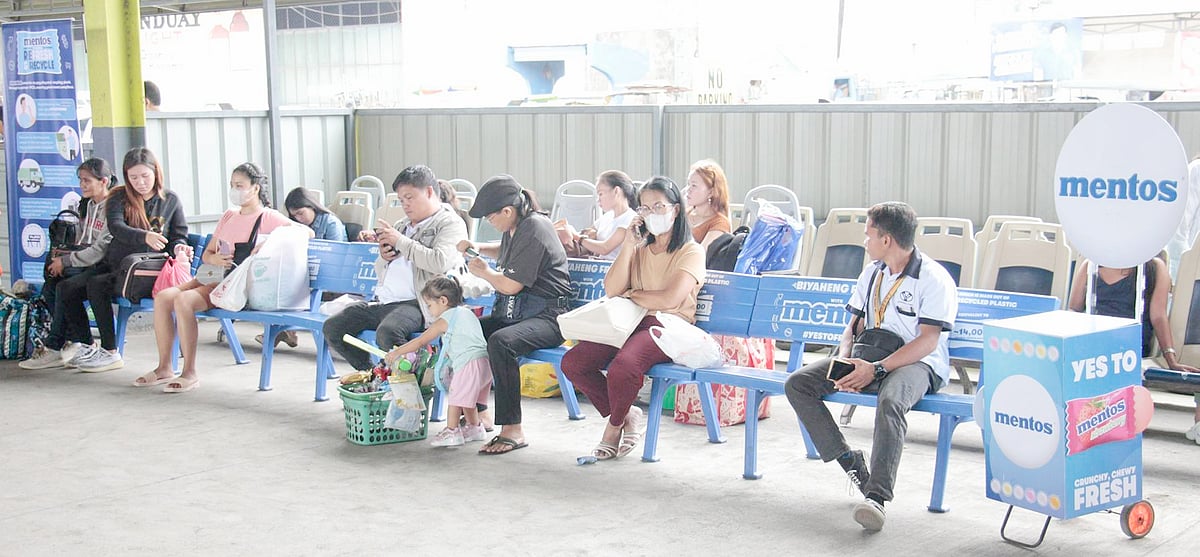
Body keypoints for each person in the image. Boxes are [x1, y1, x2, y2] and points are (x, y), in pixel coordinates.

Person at [784, 201, 958, 532]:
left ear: (887, 240)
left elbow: (927, 342)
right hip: (869, 355)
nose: (865, 242)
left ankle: (875, 497)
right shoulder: (871, 273)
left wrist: (876, 370)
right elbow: (852, 328)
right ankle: (849, 460)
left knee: (891, 401)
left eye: (868, 236)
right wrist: (846, 360)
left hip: (917, 363)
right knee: (798, 384)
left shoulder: (933, 278)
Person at [561, 176, 704, 459]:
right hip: (629, 322)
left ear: (676, 210)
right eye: (646, 209)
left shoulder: (691, 251)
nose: (652, 214)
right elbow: (613, 289)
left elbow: (669, 299)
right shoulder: (638, 248)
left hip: (667, 326)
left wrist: (632, 294)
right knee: (574, 362)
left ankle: (613, 427)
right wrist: (628, 244)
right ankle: (628, 413)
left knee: (623, 367)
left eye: (659, 207)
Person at [135, 162, 300, 392]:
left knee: (184, 300)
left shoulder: (268, 217)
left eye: (240, 185)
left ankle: (189, 372)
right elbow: (207, 254)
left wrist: (265, 244)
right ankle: (164, 366)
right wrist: (216, 260)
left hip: (235, 285)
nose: (235, 190)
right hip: (213, 276)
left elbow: (303, 232)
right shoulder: (229, 216)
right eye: (232, 185)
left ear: (255, 188)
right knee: (163, 297)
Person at [457, 175, 572, 455]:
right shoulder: (516, 227)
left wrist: (484, 271)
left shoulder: (534, 227)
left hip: (548, 317)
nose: (489, 223)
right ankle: (478, 411)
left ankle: (513, 429)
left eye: (490, 217)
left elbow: (510, 285)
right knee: (466, 330)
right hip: (519, 313)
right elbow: (506, 251)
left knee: (501, 342)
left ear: (507, 211)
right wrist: (479, 249)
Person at [323, 165, 468, 376]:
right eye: (401, 200)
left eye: (410, 197)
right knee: (334, 327)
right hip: (385, 300)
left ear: (429, 192)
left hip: (419, 303)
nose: (405, 205)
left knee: (389, 332)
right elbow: (381, 270)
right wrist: (384, 257)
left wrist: (401, 242)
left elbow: (440, 262)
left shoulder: (450, 223)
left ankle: (410, 391)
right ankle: (374, 374)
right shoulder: (401, 225)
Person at [73, 148, 190, 373]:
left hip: (153, 271)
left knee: (95, 285)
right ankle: (97, 348)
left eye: (145, 176)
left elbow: (179, 234)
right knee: (78, 286)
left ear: (156, 173)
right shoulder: (118, 197)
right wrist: (144, 235)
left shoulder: (170, 199)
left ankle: (109, 350)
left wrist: (179, 247)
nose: (140, 183)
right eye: (133, 177)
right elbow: (117, 228)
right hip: (122, 267)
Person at [1068, 256, 1200, 441]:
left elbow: (1158, 316)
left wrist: (1171, 359)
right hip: (1096, 337)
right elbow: (1074, 309)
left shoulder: (1153, 267)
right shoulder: (1091, 264)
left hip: (1129, 342)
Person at [19, 158, 116, 370]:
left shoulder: (112, 208)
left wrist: (66, 261)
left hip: (103, 267)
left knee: (64, 286)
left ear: (104, 181)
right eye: (80, 180)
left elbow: (100, 250)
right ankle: (72, 343)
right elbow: (81, 242)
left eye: (87, 180)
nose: (82, 185)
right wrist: (62, 259)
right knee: (51, 285)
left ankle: (64, 345)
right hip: (85, 263)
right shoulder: (87, 205)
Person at [385, 276, 493, 447]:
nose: (428, 310)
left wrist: (397, 351)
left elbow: (420, 341)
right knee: (468, 398)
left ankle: (451, 431)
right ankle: (474, 427)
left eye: (429, 305)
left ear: (443, 300)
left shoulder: (445, 319)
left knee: (457, 398)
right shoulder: (467, 312)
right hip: (485, 363)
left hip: (468, 364)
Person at [558, 170, 637, 260]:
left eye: (601, 194)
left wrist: (578, 237)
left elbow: (605, 248)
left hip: (615, 270)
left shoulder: (630, 219)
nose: (598, 199)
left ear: (616, 191)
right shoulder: (607, 217)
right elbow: (588, 232)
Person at [685, 159, 732, 249]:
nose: (688, 189)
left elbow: (701, 255)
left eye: (694, 185)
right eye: (688, 184)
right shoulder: (684, 214)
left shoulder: (719, 223)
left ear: (711, 192)